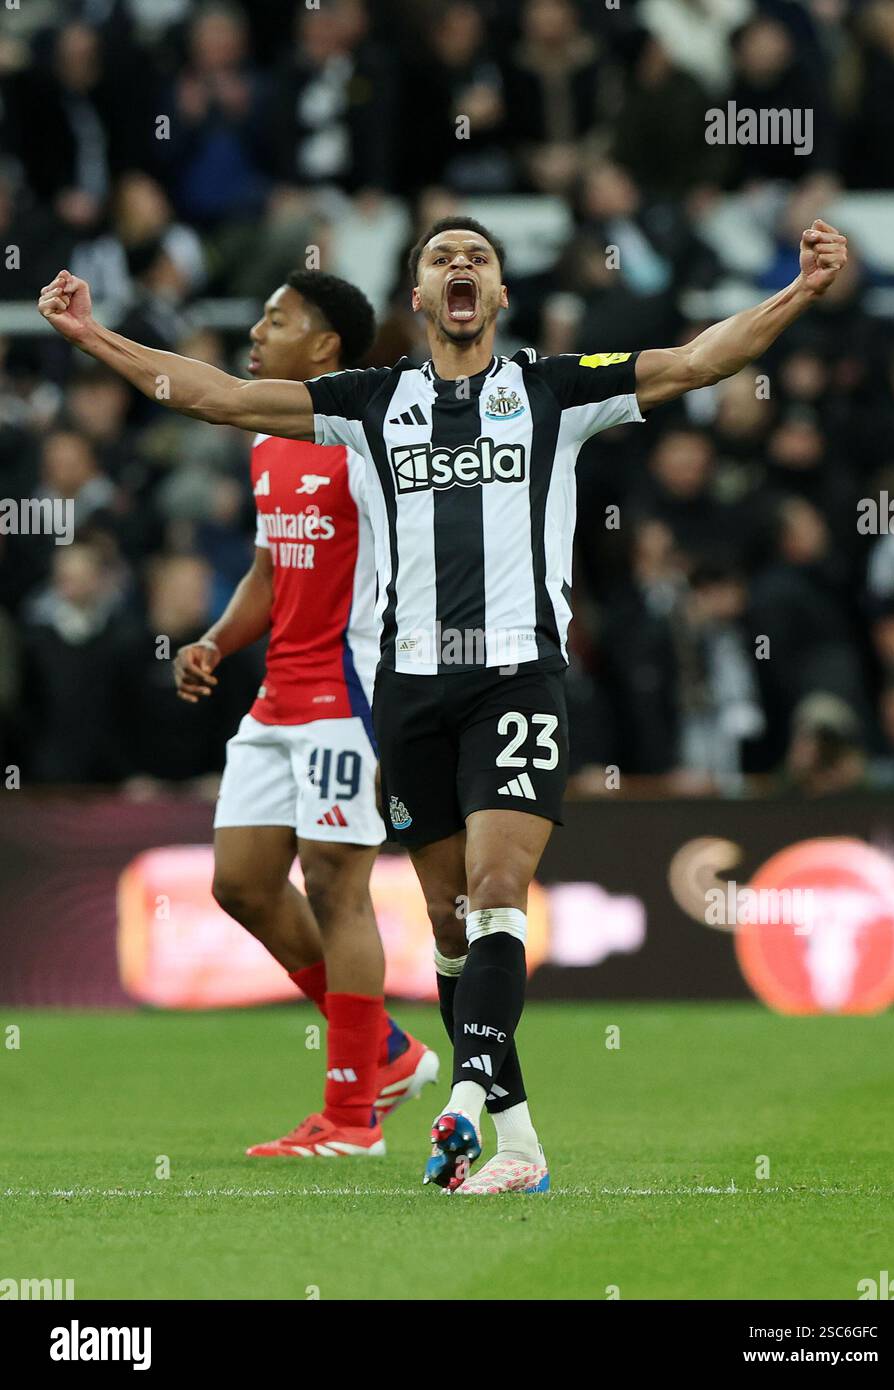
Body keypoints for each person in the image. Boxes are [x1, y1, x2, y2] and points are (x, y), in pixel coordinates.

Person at [37, 212, 849, 1194]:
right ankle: (519, 1146)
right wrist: (94, 338)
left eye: (479, 258)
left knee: (499, 889)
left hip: (516, 675)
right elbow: (217, 395)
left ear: (499, 295)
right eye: (440, 258)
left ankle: (461, 1102)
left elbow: (693, 361)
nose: (461, 266)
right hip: (409, 688)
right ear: (416, 299)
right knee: (453, 924)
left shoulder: (554, 389)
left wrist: (799, 292)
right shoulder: (367, 402)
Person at [176, 270, 439, 1156]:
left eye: (275, 318)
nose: (254, 328)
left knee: (336, 885)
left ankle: (352, 1115)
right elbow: (267, 572)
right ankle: (390, 1055)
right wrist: (215, 640)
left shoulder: (367, 444)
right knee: (240, 883)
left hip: (347, 696)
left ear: (324, 346)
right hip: (276, 696)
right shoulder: (266, 442)